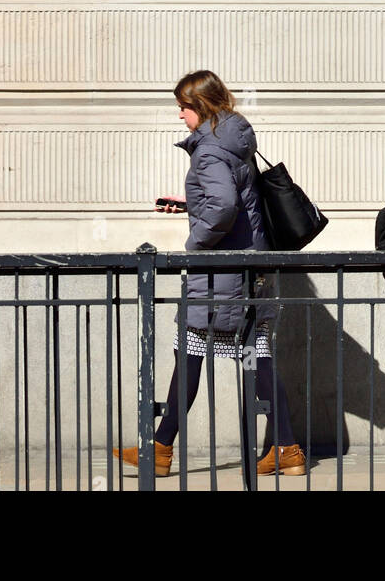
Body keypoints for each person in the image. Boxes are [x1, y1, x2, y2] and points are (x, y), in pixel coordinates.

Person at [114, 70, 305, 479]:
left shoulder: (209, 151)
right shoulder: (233, 141)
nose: (180, 117)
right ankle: (284, 448)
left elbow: (222, 207)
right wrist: (191, 204)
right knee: (248, 356)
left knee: (196, 351)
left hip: (222, 273)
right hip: (248, 269)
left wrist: (194, 243)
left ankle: (161, 450)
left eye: (182, 109)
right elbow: (229, 199)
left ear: (198, 108)